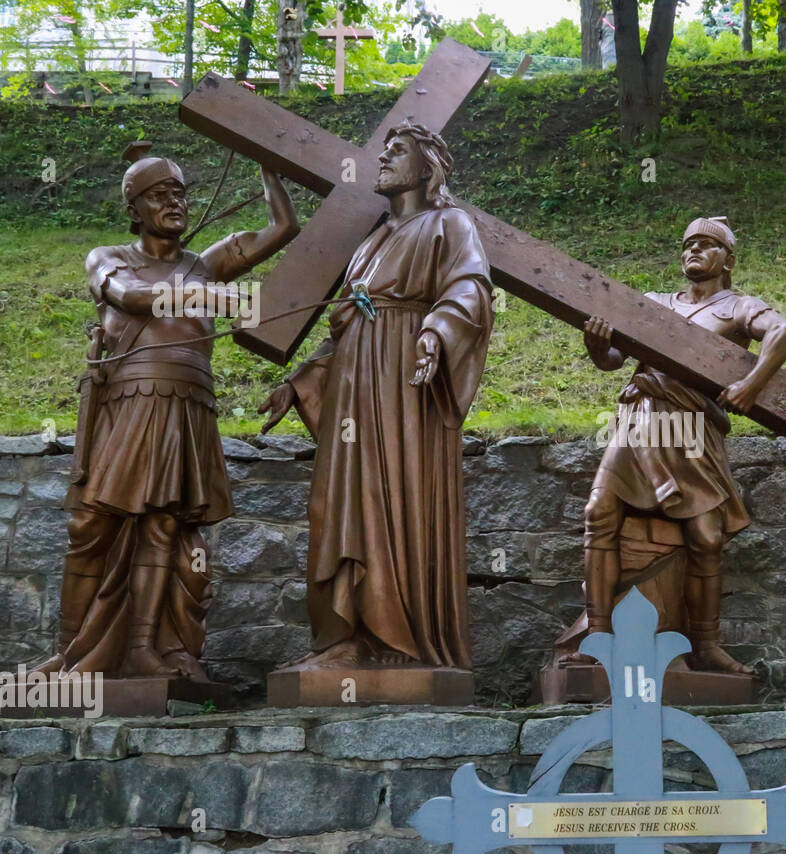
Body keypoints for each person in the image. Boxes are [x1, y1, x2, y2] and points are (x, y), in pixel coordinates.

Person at [39, 144, 299, 678]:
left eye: (180, 193)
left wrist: (266, 162)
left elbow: (282, 228)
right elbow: (131, 297)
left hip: (186, 401)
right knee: (90, 523)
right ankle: (68, 653)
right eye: (160, 195)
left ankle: (142, 647)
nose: (174, 202)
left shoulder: (201, 265)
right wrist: (214, 297)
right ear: (134, 208)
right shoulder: (111, 257)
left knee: (163, 523)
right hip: (129, 399)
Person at [260, 122, 493, 669]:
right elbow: (344, 325)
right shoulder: (369, 243)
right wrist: (298, 381)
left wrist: (436, 333)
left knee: (396, 490)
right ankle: (343, 637)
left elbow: (470, 286)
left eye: (398, 150)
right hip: (353, 383)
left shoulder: (449, 224)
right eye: (384, 149)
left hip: (404, 374)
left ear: (428, 165)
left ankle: (398, 640)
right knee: (341, 498)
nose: (384, 157)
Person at [580, 216, 786, 673]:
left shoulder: (738, 307)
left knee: (706, 537)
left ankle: (705, 645)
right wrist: (598, 346)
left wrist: (751, 384)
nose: (693, 251)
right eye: (687, 245)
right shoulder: (656, 304)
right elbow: (614, 360)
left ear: (728, 258)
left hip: (694, 427)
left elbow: (784, 332)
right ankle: (597, 633)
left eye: (706, 245)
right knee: (599, 511)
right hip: (642, 418)